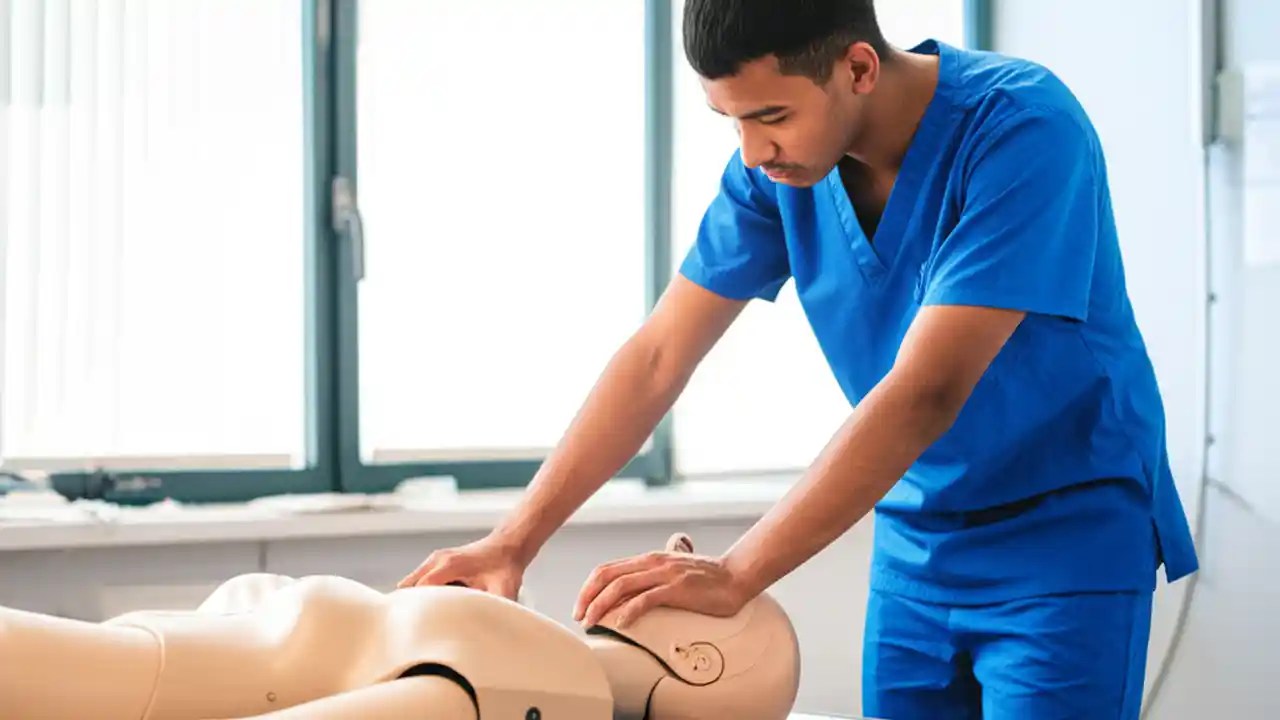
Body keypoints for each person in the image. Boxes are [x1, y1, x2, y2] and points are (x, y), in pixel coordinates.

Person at [399, 1, 1199, 717]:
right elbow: (658, 356)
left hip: (1064, 537)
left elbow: (926, 391)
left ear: (858, 67)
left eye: (771, 115)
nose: (753, 152)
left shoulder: (1022, 129)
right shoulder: (782, 170)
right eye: (731, 121)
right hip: (918, 542)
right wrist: (514, 541)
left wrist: (739, 571)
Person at [0, 533, 801, 719]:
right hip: (156, 666)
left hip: (147, 668)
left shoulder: (554, 680)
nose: (676, 557)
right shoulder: (541, 662)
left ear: (701, 662)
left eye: (701, 588)